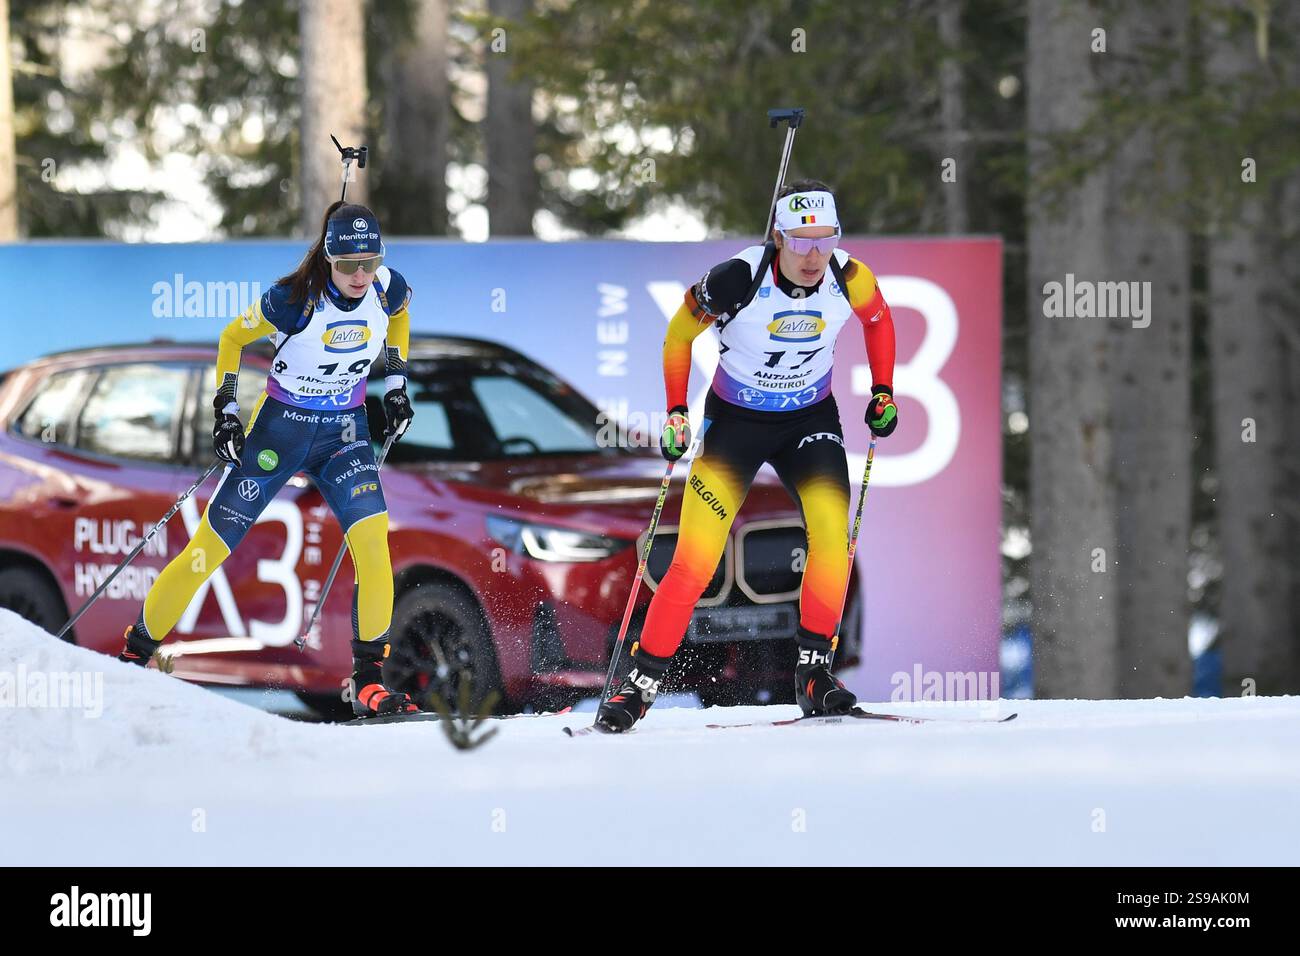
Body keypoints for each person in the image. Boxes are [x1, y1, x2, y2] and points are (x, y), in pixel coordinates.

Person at [596, 180, 898, 733]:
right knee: (695, 560)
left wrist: (882, 391)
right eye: (801, 241)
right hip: (736, 425)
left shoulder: (849, 276)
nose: (813, 254)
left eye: (825, 239)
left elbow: (879, 321)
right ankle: (639, 685)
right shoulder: (739, 277)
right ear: (778, 236)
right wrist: (675, 412)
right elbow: (678, 334)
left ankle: (814, 675)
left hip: (809, 420)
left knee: (834, 540)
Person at [118, 201, 421, 718]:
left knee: (373, 545)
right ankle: (133, 655)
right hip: (280, 432)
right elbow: (232, 338)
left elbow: (399, 319)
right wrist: (226, 410)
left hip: (345, 434)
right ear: (328, 257)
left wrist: (395, 384)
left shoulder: (387, 287)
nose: (359, 274)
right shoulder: (292, 300)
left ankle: (369, 682)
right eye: (348, 263)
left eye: (369, 261)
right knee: (208, 550)